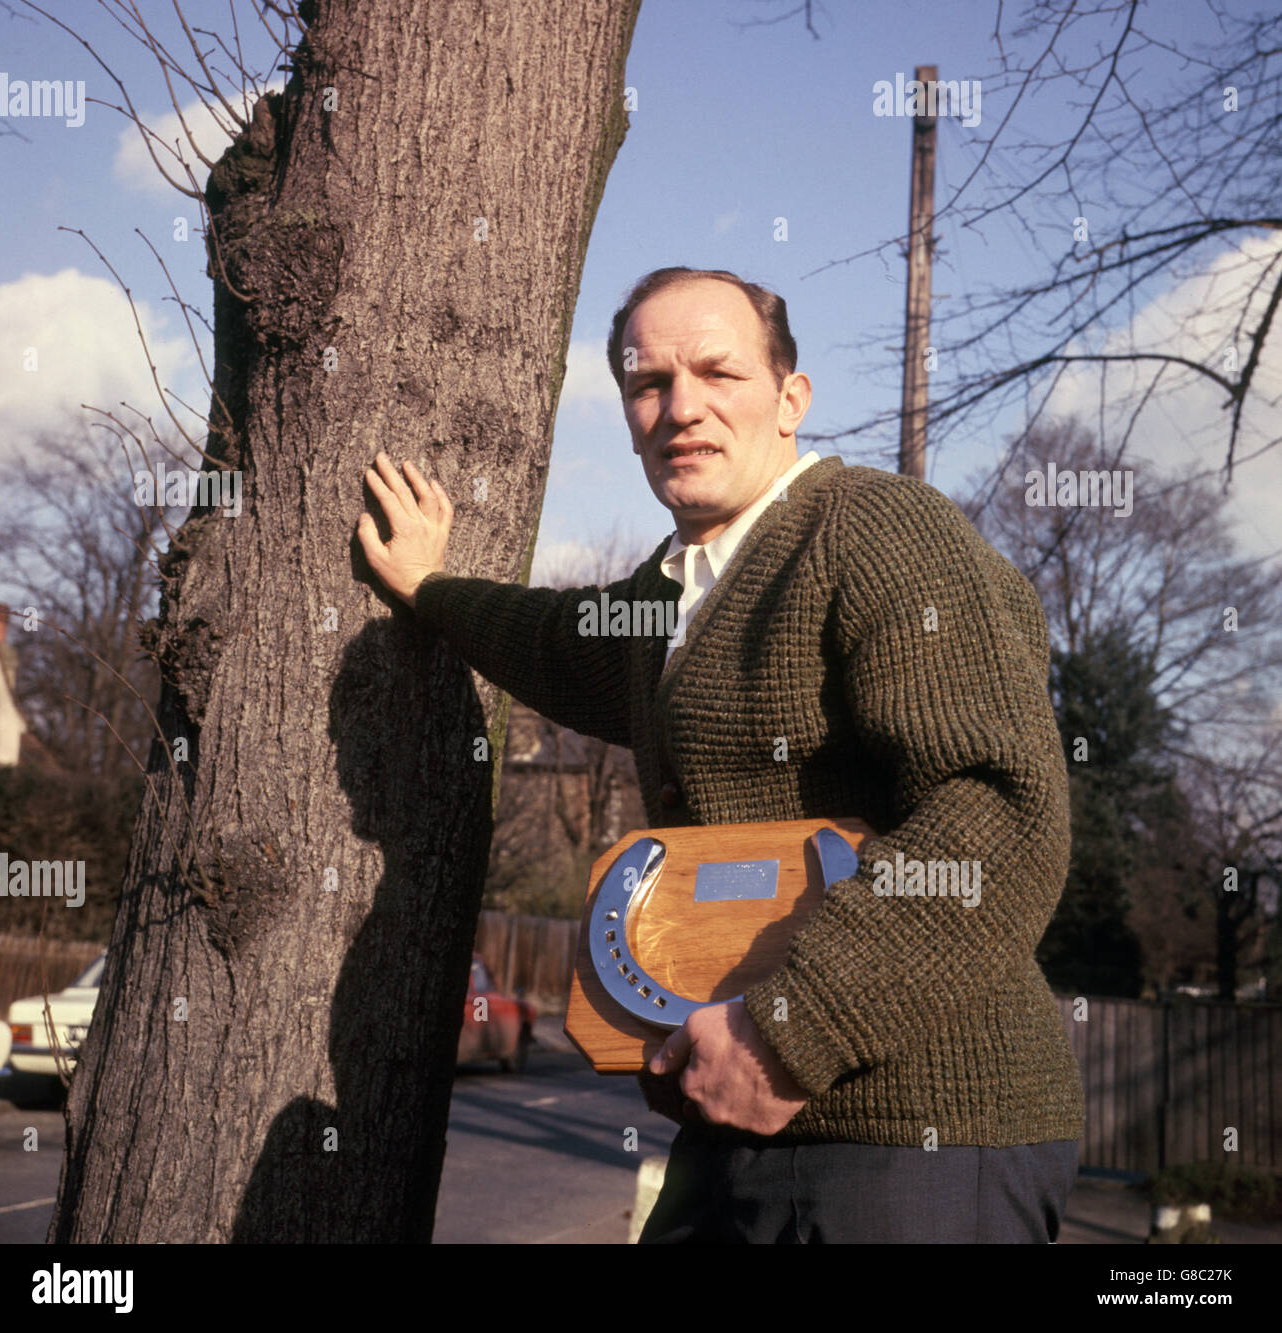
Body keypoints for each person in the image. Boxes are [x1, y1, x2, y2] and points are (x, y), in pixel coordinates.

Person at [356, 266, 1084, 1243]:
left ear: (791, 399)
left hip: (918, 1139)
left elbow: (998, 810)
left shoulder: (878, 529)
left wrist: (794, 1030)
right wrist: (431, 589)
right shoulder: (671, 592)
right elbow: (553, 636)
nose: (680, 408)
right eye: (647, 383)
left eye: (716, 373)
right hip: (730, 1116)